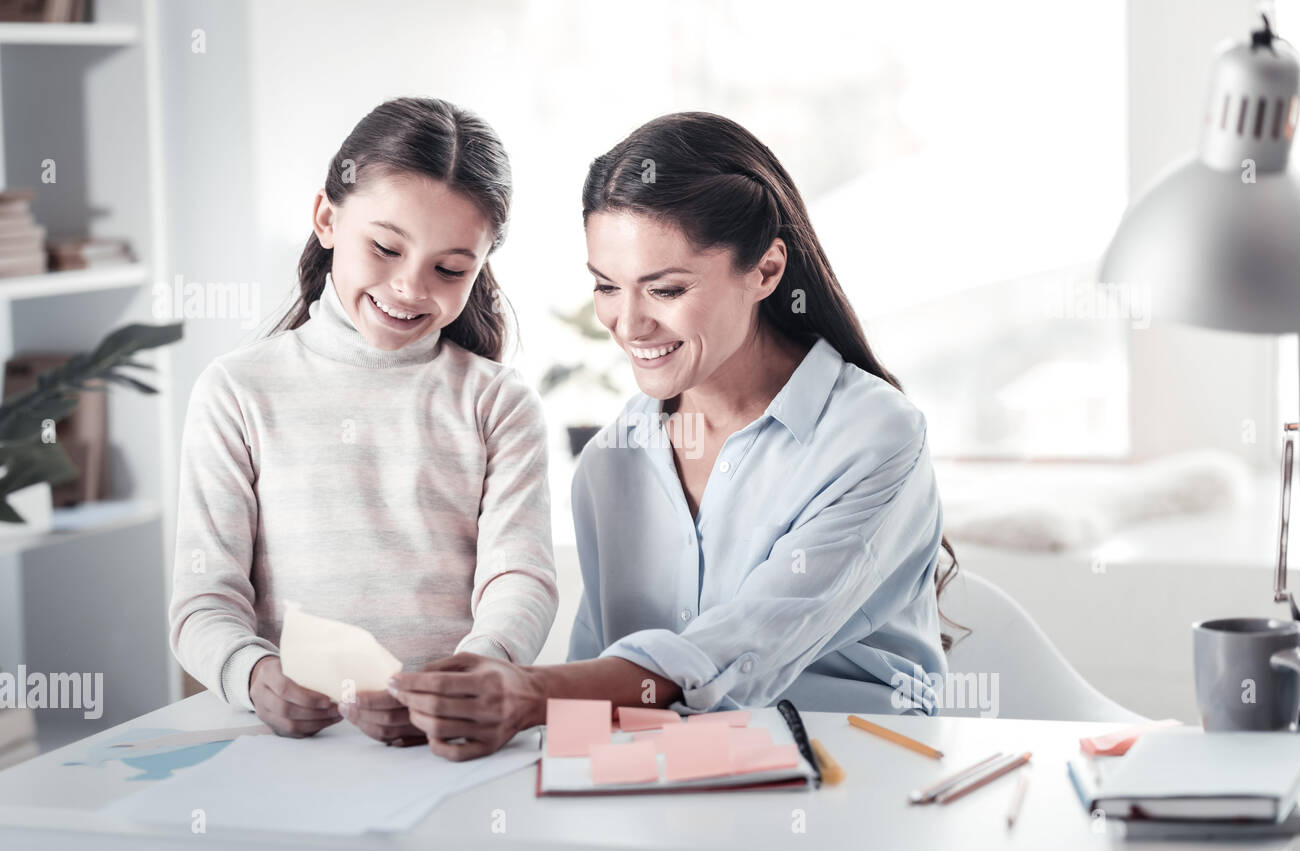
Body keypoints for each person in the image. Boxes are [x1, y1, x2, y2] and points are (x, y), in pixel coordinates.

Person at [389, 111, 960, 760]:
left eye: (664, 289)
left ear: (767, 270)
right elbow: (594, 683)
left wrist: (525, 692)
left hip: (864, 776)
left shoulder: (871, 437)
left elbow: (743, 645)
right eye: (606, 286)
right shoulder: (612, 463)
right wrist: (453, 707)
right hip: (673, 786)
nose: (629, 324)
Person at [169, 97, 557, 744]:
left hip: (449, 739)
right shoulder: (238, 391)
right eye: (384, 247)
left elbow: (520, 577)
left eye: (450, 268)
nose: (410, 286)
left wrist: (474, 673)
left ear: (481, 266)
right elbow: (203, 600)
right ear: (327, 218)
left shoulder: (498, 403)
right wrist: (253, 672)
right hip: (291, 747)